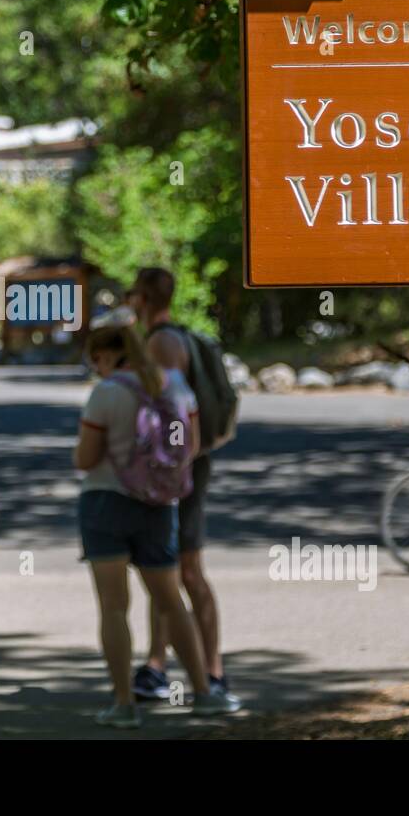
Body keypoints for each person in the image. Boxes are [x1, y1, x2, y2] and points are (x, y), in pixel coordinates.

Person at [75, 324, 241, 728]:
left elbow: (85, 458)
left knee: (114, 607)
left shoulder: (108, 392)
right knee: (171, 601)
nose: (95, 367)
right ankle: (204, 693)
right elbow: (194, 445)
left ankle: (124, 704)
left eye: (95, 358)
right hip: (160, 506)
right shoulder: (178, 387)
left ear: (110, 354)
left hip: (106, 502)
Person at [126, 267, 235, 703]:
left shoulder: (162, 343)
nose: (130, 302)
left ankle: (213, 671)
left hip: (179, 473)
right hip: (186, 468)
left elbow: (174, 414)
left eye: (133, 295)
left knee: (188, 571)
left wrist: (171, 466)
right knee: (164, 568)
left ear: (145, 298)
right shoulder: (176, 337)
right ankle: (156, 666)